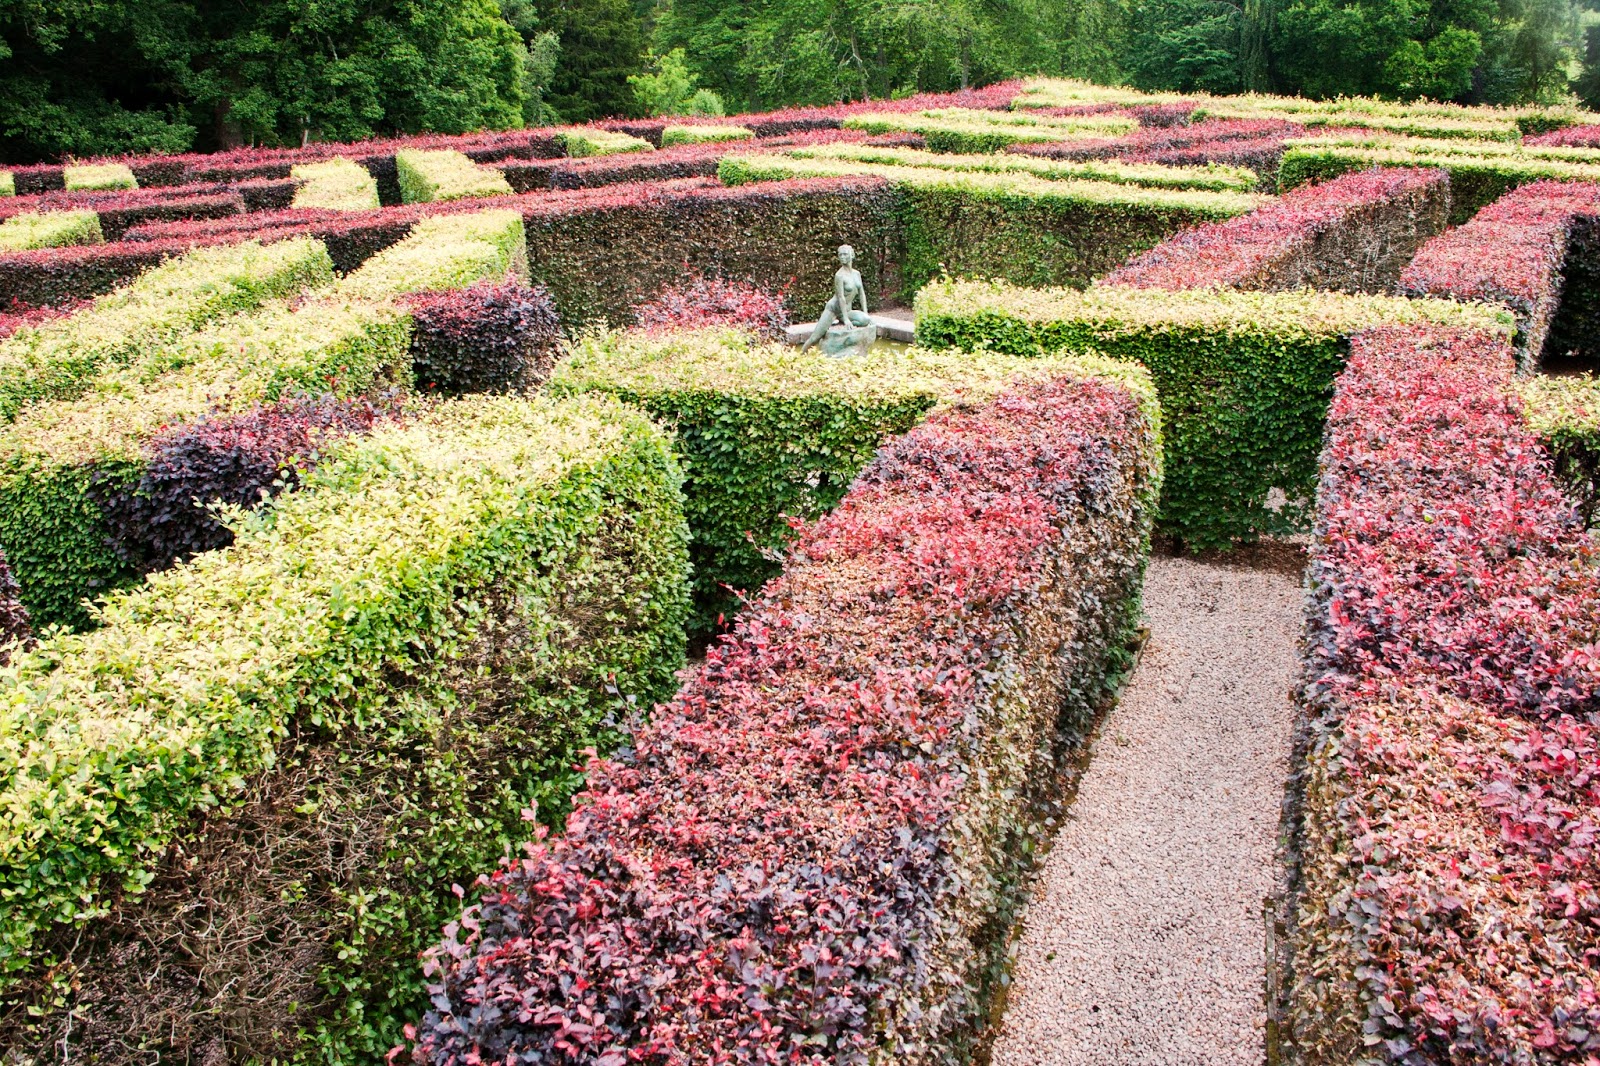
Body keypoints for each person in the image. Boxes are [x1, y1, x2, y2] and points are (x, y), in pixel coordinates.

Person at [799, 245, 870, 353]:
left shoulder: (857, 274)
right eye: (840, 255)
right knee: (815, 337)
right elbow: (841, 297)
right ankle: (800, 356)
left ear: (852, 255)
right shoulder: (839, 275)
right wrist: (846, 320)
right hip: (833, 309)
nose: (842, 257)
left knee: (865, 320)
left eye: (845, 254)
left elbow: (862, 294)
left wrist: (865, 312)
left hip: (846, 310)